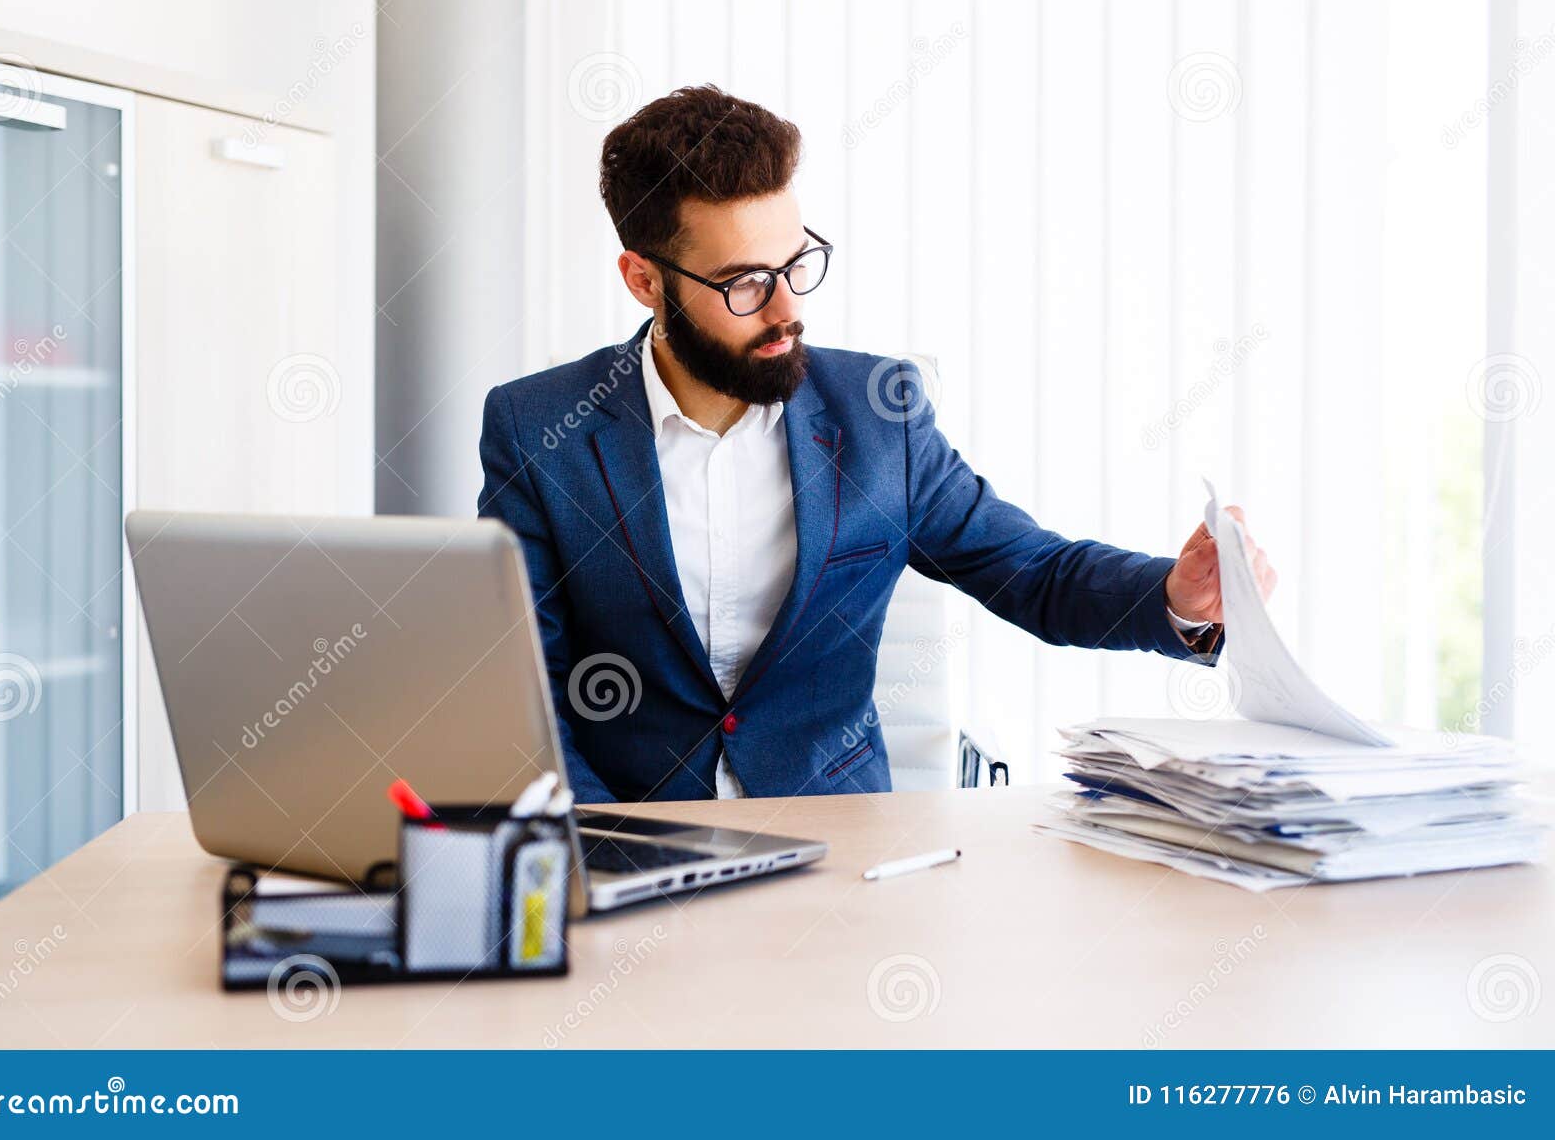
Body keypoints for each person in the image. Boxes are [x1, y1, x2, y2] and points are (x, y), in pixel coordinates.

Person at [478, 85, 1276, 804]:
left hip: (841, 847)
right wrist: (605, 852)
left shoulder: (877, 416)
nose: (787, 309)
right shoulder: (539, 429)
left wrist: (1177, 596)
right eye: (746, 283)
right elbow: (523, 691)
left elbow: (1032, 571)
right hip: (632, 846)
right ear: (645, 281)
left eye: (797, 264)